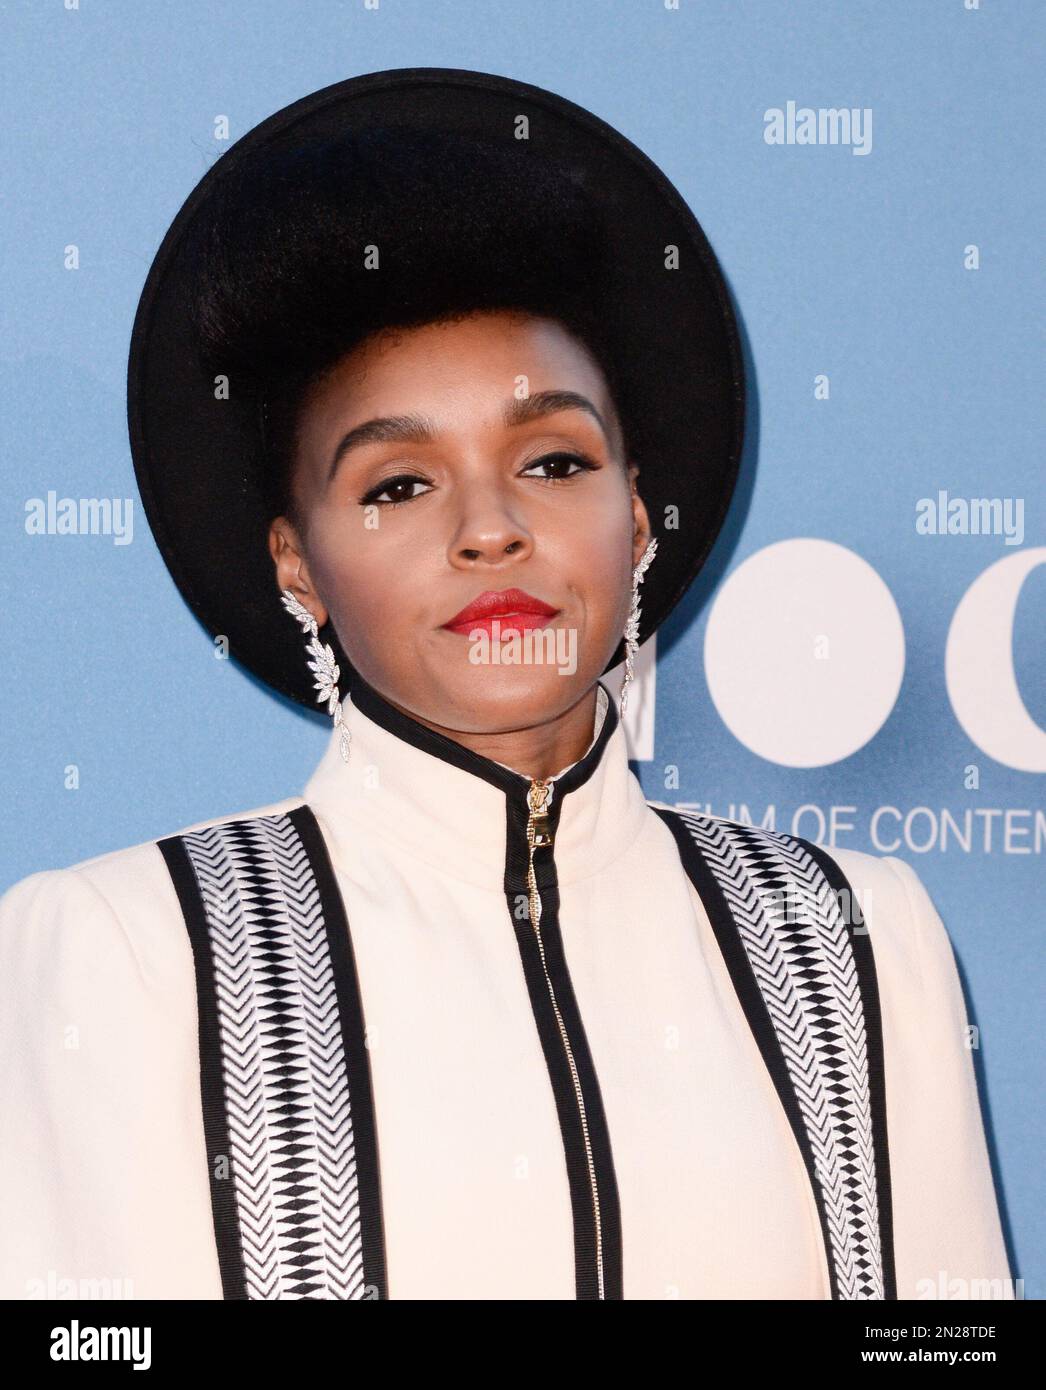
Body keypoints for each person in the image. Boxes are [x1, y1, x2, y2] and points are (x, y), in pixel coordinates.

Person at [0, 69, 1012, 1301]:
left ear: (635, 514)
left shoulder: (854, 936)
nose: (488, 528)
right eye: (397, 484)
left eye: (550, 458)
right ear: (296, 567)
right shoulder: (125, 950)